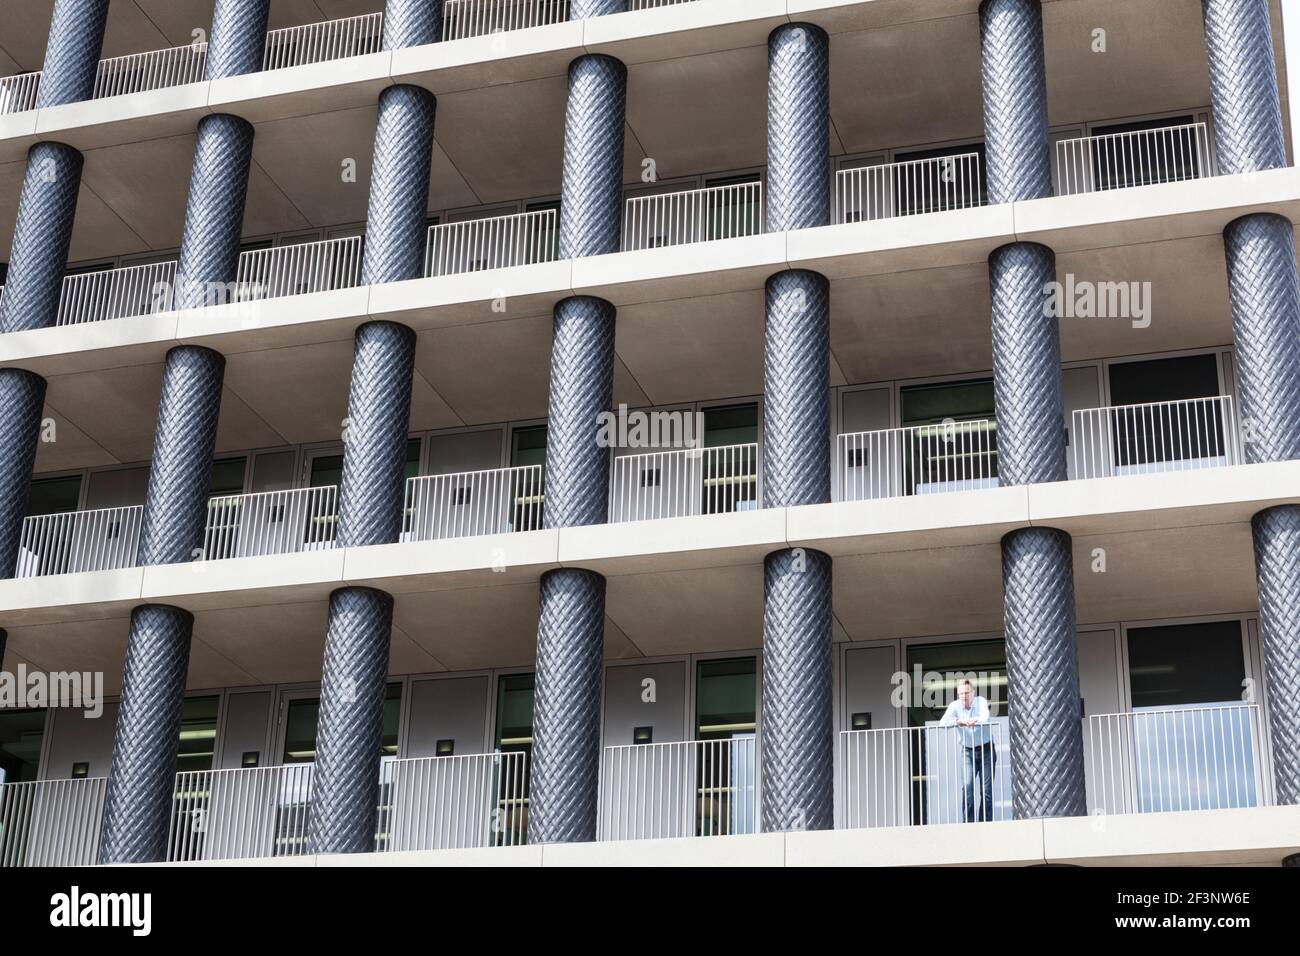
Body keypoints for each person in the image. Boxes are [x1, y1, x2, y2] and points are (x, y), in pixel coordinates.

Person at [938, 679, 996, 822]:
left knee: (986, 790)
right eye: (961, 693)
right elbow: (942, 723)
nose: (964, 696)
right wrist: (959, 722)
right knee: (968, 787)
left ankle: (985, 822)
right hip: (968, 753)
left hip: (986, 750)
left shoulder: (980, 701)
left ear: (973, 693)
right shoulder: (955, 706)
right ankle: (968, 823)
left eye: (967, 693)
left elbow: (985, 718)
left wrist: (973, 721)